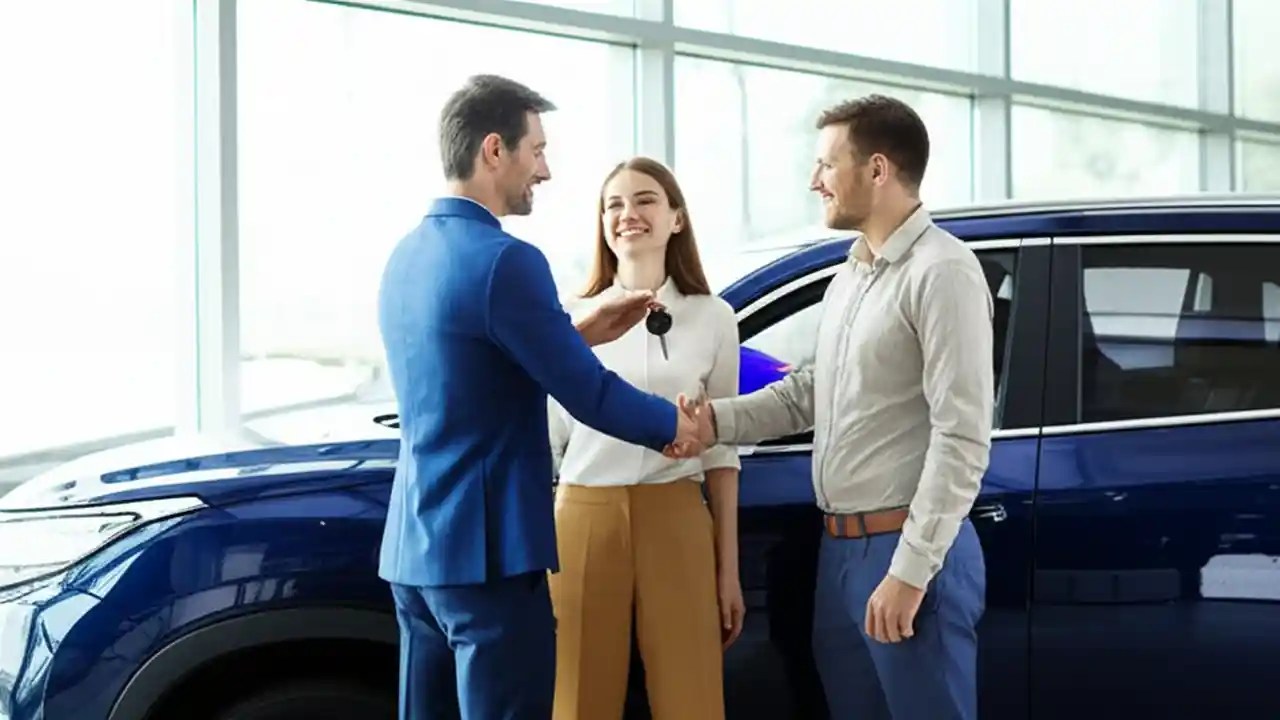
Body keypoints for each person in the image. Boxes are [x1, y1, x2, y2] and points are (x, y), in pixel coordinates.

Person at [376, 75, 702, 720]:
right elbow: (591, 394)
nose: (545, 170)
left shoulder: (406, 255)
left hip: (416, 553)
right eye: (537, 150)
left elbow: (471, 369)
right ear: (495, 150)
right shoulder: (507, 259)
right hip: (489, 555)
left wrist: (576, 331)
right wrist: (680, 426)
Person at [675, 94, 993, 720]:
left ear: (876, 170)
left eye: (826, 164)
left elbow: (962, 437)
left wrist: (911, 571)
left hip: (903, 548)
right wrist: (714, 421)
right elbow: (811, 392)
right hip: (841, 552)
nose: (813, 180)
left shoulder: (943, 272)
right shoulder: (853, 275)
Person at [545, 157, 745, 720]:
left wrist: (727, 570)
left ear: (677, 218)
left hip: (677, 513)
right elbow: (549, 444)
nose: (627, 214)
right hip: (583, 514)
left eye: (645, 200)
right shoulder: (568, 319)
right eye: (613, 204)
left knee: (693, 701)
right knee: (577, 701)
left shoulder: (714, 317)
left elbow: (722, 452)